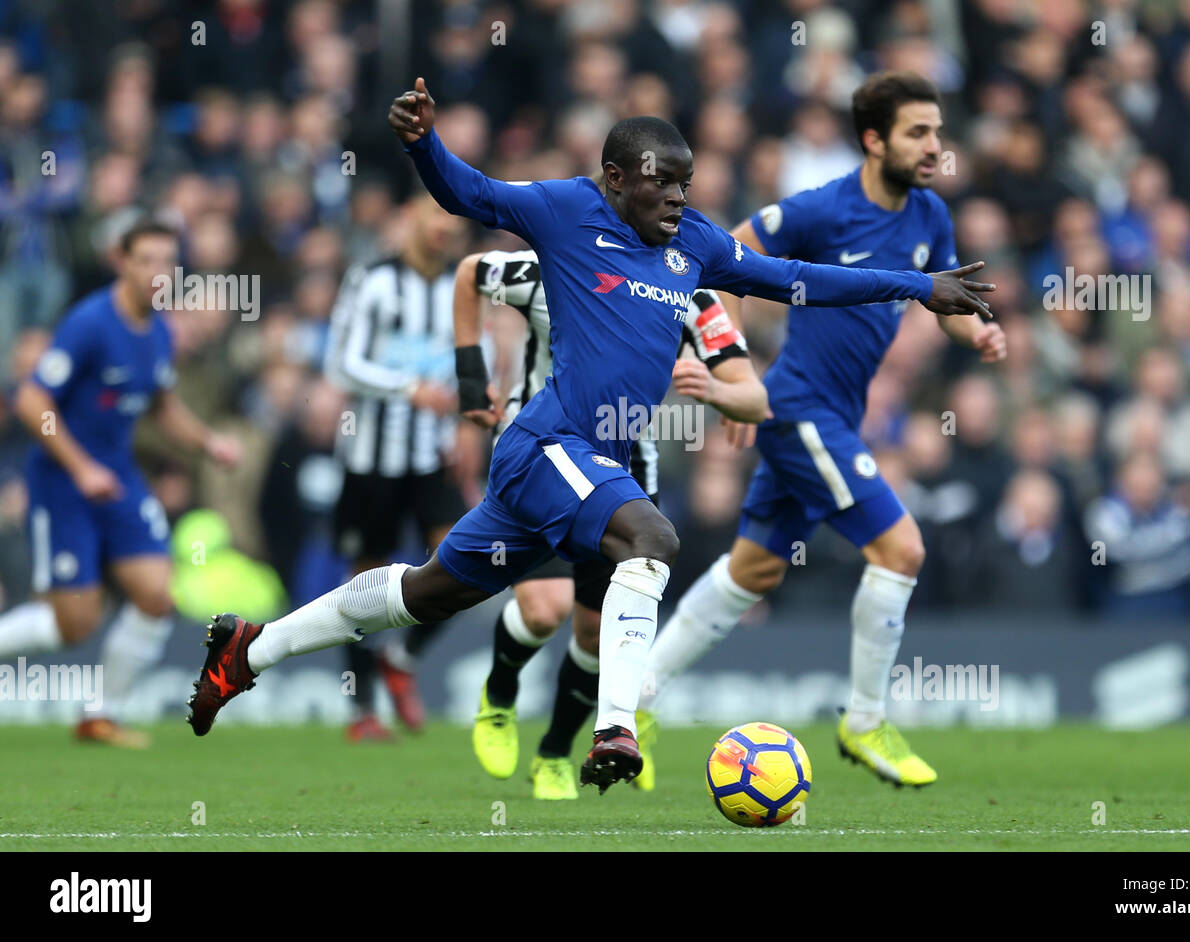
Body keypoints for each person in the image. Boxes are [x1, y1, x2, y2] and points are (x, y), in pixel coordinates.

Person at [186, 76, 993, 796]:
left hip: (576, 463)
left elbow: (799, 280)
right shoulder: (565, 208)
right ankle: (615, 725)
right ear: (614, 180)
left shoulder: (697, 244)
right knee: (650, 535)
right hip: (544, 443)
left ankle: (246, 652)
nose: (678, 198)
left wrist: (920, 285)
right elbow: (468, 194)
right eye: (661, 183)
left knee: (425, 594)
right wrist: (424, 144)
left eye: (686, 184)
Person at [639, 72, 1007, 790]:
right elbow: (721, 273)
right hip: (798, 406)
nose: (935, 146)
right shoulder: (822, 210)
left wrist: (976, 335)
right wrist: (735, 373)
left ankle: (632, 701)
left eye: (937, 131)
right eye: (917, 133)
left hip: (831, 415)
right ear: (874, 140)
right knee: (901, 549)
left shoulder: (930, 216)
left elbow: (947, 301)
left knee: (754, 571)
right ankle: (865, 721)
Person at [452, 246, 767, 798]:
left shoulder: (687, 288)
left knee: (597, 632)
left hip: (623, 477)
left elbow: (753, 394)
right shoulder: (553, 265)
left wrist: (717, 391)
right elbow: (471, 274)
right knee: (544, 611)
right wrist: (470, 372)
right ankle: (499, 696)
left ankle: (553, 753)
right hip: (541, 458)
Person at [0, 219, 241, 747]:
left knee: (156, 596)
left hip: (120, 479)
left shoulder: (157, 331)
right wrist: (82, 467)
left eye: (168, 262)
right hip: (66, 482)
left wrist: (207, 442)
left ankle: (99, 716)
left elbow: (162, 405)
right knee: (74, 624)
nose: (159, 273)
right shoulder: (89, 322)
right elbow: (30, 401)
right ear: (121, 262)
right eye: (147, 260)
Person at [322, 197, 477, 741]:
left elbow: (467, 360)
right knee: (364, 579)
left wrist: (466, 422)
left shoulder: (461, 285)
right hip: (372, 459)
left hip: (432, 457)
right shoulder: (373, 279)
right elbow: (339, 361)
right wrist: (406, 388)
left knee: (463, 564)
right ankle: (361, 707)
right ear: (412, 221)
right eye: (435, 218)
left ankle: (403, 657)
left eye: (453, 223)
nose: (444, 230)